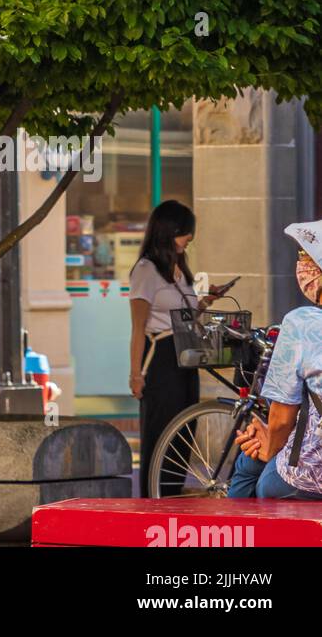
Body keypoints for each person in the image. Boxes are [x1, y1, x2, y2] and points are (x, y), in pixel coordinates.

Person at [128, 200, 230, 496]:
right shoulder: (146, 270)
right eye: (185, 234)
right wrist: (135, 374)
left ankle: (171, 493)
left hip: (185, 355)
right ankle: (153, 498)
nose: (189, 240)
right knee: (160, 429)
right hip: (159, 355)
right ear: (168, 231)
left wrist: (206, 301)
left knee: (183, 431)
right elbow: (138, 326)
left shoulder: (179, 270)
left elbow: (185, 315)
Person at [229, 220, 322, 499]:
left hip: (310, 476)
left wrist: (268, 445)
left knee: (250, 462)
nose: (302, 265)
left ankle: (237, 537)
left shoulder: (301, 323)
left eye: (306, 257)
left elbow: (281, 420)